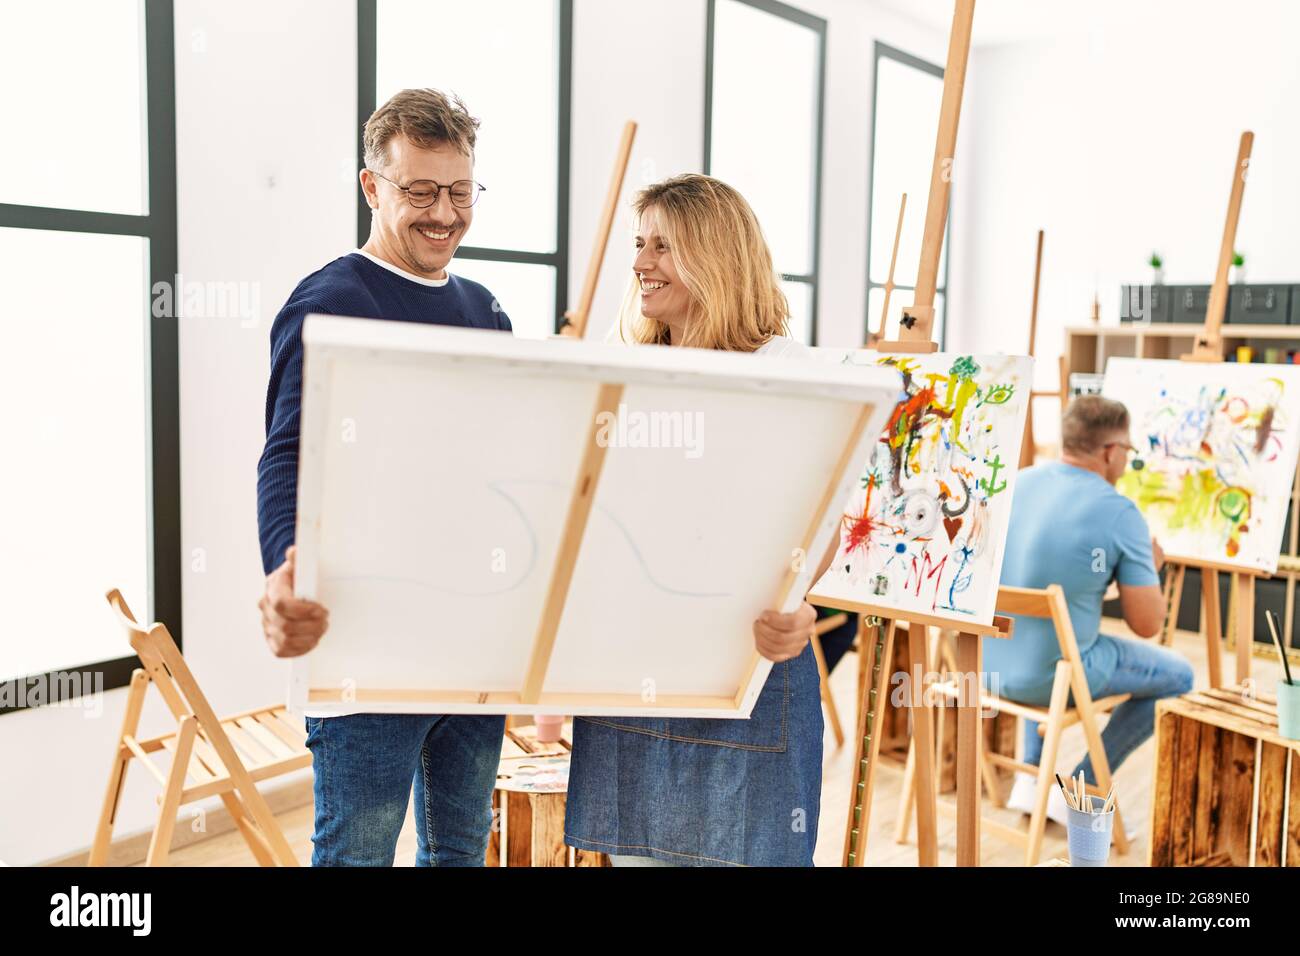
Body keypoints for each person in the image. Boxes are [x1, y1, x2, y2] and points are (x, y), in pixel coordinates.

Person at [255, 88, 512, 866]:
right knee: (358, 854)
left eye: (460, 192)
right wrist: (282, 570)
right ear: (373, 187)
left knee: (461, 851)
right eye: (419, 192)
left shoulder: (486, 310)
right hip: (366, 642)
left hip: (473, 639)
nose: (443, 214)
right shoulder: (332, 301)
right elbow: (285, 453)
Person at [565, 174, 824, 866]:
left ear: (718, 257)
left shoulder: (787, 369)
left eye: (663, 246)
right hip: (633, 670)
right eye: (639, 245)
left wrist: (800, 603)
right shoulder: (630, 371)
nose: (641, 263)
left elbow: (827, 518)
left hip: (746, 671)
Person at [984, 395, 1194, 825]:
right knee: (1179, 676)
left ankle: (1030, 779)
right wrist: (1150, 570)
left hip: (986, 665)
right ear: (1111, 452)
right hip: (1053, 679)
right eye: (1129, 452)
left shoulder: (1013, 485)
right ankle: (1078, 787)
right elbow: (1147, 624)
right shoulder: (1120, 514)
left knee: (1044, 634)